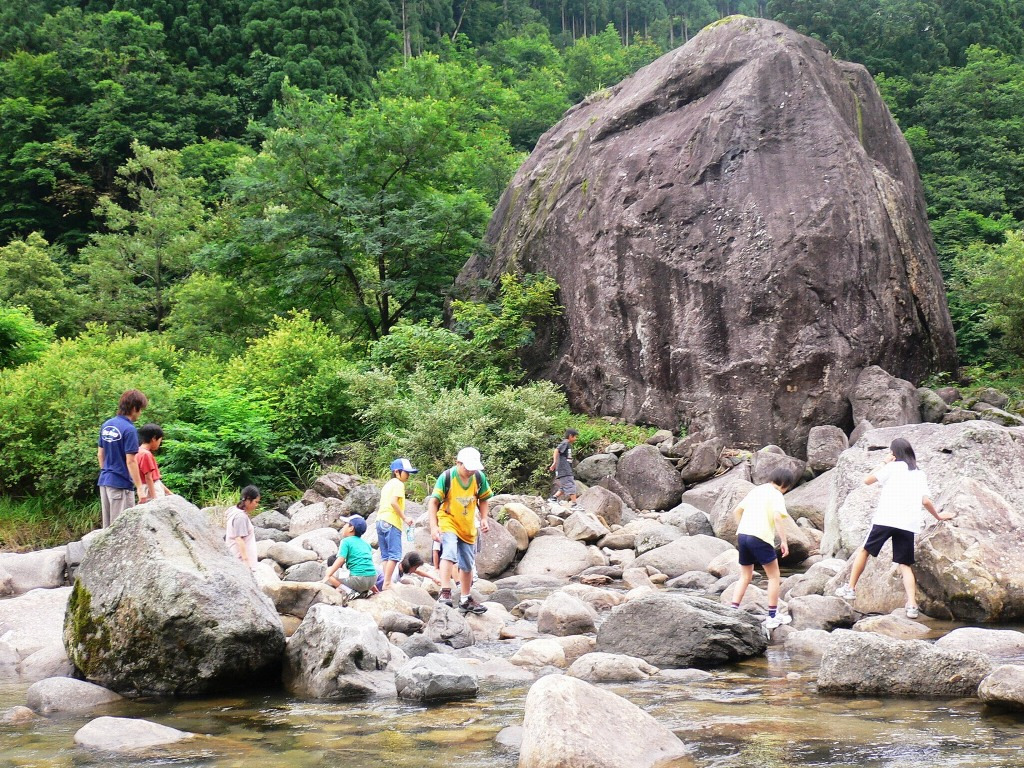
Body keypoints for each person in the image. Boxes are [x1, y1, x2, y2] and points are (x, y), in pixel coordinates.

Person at [834, 438, 954, 618]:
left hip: (885, 519)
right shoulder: (919, 473)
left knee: (865, 552)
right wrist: (938, 516)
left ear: (894, 453)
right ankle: (912, 605)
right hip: (907, 524)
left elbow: (866, 480)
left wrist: (884, 462)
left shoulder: (891, 467)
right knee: (904, 564)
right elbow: (925, 500)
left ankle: (850, 588)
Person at [729, 467, 798, 636]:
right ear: (785, 485)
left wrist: (743, 528)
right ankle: (772, 616)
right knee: (774, 577)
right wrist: (783, 541)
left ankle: (732, 610)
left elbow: (736, 511)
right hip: (760, 537)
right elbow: (776, 517)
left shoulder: (757, 490)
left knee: (745, 576)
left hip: (743, 535)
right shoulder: (776, 495)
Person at [426, 447, 492, 614]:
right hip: (448, 520)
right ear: (458, 463)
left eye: (473, 467)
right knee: (448, 552)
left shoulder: (479, 477)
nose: (471, 471)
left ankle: (465, 598)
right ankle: (446, 592)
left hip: (467, 525)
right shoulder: (447, 477)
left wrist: (483, 518)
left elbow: (483, 499)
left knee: (467, 563)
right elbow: (433, 502)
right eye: (468, 467)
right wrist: (434, 527)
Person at [97, 389, 148, 528]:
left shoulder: (107, 425)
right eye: (140, 410)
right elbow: (131, 460)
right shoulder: (129, 429)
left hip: (105, 481)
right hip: (121, 485)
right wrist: (139, 488)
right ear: (134, 408)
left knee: (108, 528)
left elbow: (100, 454)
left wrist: (107, 472)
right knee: (121, 528)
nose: (140, 413)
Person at [376, 458, 419, 591]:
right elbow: (394, 502)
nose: (408, 475)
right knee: (394, 555)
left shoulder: (387, 484)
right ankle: (387, 582)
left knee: (385, 555)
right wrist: (405, 518)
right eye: (406, 472)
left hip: (380, 521)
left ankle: (385, 581)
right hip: (392, 521)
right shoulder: (399, 484)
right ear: (397, 472)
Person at [324, 516, 377, 602]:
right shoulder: (366, 544)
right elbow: (367, 564)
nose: (344, 526)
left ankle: (350, 592)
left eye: (346, 524)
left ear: (351, 528)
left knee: (329, 570)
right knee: (350, 572)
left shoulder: (346, 541)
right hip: (372, 579)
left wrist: (327, 575)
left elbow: (340, 560)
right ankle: (365, 591)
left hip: (358, 579)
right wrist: (372, 585)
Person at [225, 485, 260, 571]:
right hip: (240, 562)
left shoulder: (235, 511)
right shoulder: (240, 517)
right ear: (248, 500)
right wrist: (246, 562)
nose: (257, 505)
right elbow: (239, 539)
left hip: (236, 561)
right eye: (256, 502)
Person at [137, 423, 172, 503]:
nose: (160, 443)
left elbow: (155, 479)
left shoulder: (137, 451)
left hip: (146, 487)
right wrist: (154, 498)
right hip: (152, 489)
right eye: (160, 440)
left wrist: (169, 493)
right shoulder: (146, 454)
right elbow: (149, 478)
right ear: (154, 438)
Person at [374, 551, 441, 592]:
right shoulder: (393, 575)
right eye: (415, 567)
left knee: (409, 582)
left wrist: (433, 578)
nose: (415, 570)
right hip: (376, 579)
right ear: (410, 565)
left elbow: (418, 572)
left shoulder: (399, 563)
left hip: (376, 574)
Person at [548, 428, 579, 504]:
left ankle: (553, 498)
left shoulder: (567, 444)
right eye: (575, 437)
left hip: (565, 469)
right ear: (570, 436)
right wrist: (554, 462)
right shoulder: (565, 442)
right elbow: (556, 450)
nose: (576, 439)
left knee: (564, 486)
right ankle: (574, 504)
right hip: (564, 469)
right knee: (571, 485)